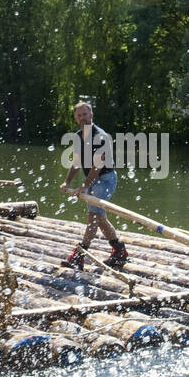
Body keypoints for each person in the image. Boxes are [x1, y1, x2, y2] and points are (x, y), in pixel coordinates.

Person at [60, 101, 128, 269]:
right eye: (79, 115)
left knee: (93, 217)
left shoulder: (100, 136)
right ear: (76, 118)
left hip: (105, 179)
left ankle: (79, 256)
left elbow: (97, 166)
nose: (82, 118)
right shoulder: (78, 136)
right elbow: (76, 161)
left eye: (85, 114)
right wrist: (67, 181)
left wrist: (83, 186)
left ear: (91, 115)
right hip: (93, 180)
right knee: (100, 218)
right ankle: (120, 252)